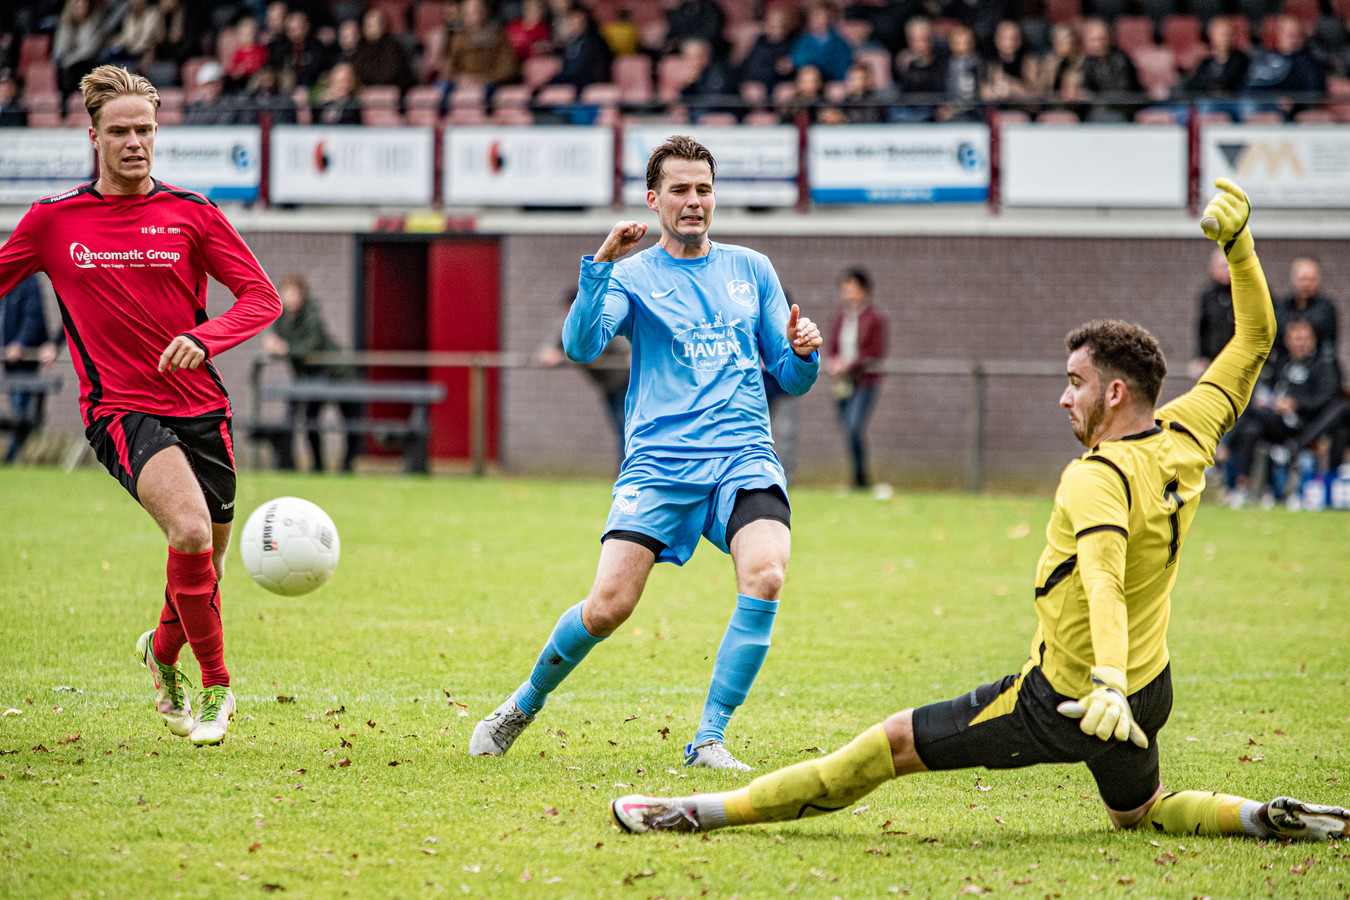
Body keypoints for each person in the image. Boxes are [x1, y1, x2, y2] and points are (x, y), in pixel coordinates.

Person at [611, 179, 1350, 847]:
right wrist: (1241, 247)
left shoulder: (1094, 478)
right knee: (1139, 809)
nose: (1064, 397)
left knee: (882, 749)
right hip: (1148, 688)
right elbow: (1255, 338)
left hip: (1070, 695)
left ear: (1116, 394)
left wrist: (1107, 685)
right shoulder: (1189, 433)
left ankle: (698, 810)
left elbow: (1102, 579)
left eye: (1075, 382)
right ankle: (1256, 815)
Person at [470, 135, 823, 771]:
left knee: (767, 573)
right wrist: (600, 264)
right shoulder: (632, 275)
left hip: (742, 457)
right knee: (608, 609)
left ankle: (709, 739)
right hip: (660, 468)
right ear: (654, 199)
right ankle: (521, 705)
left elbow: (792, 381)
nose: (695, 202)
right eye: (681, 191)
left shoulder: (753, 270)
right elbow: (580, 345)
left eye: (705, 190)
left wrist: (802, 352)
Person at [0, 65, 281, 746]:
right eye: (120, 131)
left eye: (146, 130)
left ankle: (161, 653)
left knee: (205, 562)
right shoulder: (51, 222)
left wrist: (202, 336)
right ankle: (218, 687)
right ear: (93, 135)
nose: (135, 142)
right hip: (119, 409)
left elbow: (261, 298)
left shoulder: (192, 213)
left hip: (201, 409)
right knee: (188, 532)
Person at [1224, 317, 1342, 508]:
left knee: (1249, 411)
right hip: (1275, 421)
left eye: (1304, 338)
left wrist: (1296, 404)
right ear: (1288, 341)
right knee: (1250, 429)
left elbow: (1326, 398)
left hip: (1302, 425)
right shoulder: (1283, 363)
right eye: (1296, 338)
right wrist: (1269, 401)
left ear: (1312, 340)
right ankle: (1243, 487)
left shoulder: (1321, 364)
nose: (1300, 343)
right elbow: (1272, 390)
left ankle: (1224, 447)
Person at [263, 274, 361, 473]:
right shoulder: (283, 318)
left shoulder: (312, 316)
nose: (289, 298)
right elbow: (275, 339)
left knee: (351, 422)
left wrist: (286, 349)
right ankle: (316, 466)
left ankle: (347, 466)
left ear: (301, 295)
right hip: (313, 380)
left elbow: (309, 347)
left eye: (293, 293)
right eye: (286, 293)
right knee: (310, 418)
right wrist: (276, 345)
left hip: (338, 375)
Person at [537, 291, 630, 467]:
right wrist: (551, 353)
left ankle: (628, 469)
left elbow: (618, 350)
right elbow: (547, 351)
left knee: (625, 425)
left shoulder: (600, 321)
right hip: (607, 385)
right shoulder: (566, 326)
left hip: (624, 380)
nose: (569, 315)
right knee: (619, 426)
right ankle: (625, 468)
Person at [827, 268, 887, 489]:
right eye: (845, 290)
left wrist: (849, 365)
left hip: (864, 382)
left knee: (854, 427)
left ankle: (861, 481)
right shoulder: (840, 317)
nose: (848, 294)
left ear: (864, 291)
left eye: (853, 290)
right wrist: (834, 361)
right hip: (841, 383)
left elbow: (875, 353)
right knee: (847, 430)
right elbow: (833, 346)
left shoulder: (875, 319)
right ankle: (857, 479)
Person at [2, 275, 59, 463]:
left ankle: (14, 457)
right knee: (18, 407)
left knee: (23, 410)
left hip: (25, 357)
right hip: (8, 359)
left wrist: (19, 343)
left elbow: (33, 316)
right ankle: (15, 456)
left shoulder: (27, 280)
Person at [1272, 256, 1338, 371]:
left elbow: (1329, 344)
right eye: (1303, 279)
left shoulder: (1326, 309)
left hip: (1317, 369)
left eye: (1311, 279)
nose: (1306, 284)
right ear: (1294, 279)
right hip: (1286, 367)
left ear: (1318, 280)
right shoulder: (1282, 308)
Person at [1188, 246, 1235, 380]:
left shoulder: (1243, 294)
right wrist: (1199, 357)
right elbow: (1202, 329)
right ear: (1213, 269)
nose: (1226, 270)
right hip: (1214, 363)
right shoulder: (1207, 297)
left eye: (1229, 266)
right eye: (1222, 266)